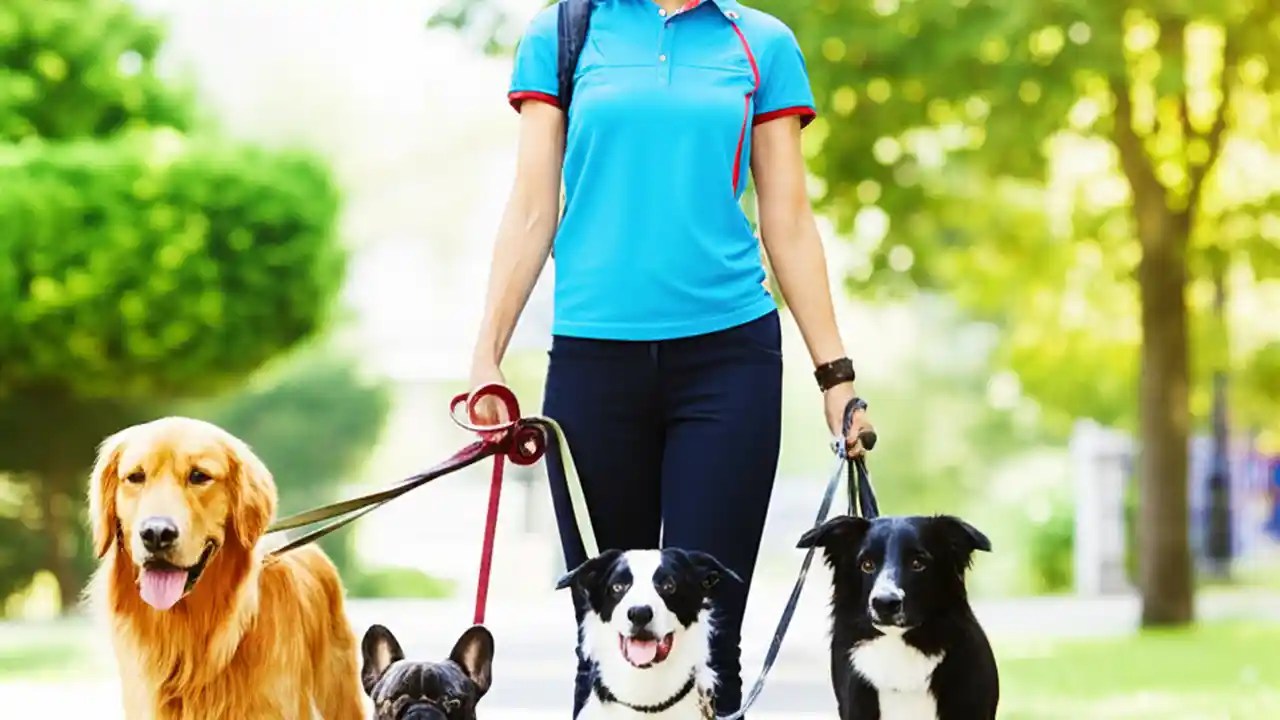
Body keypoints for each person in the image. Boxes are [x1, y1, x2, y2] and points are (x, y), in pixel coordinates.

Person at [468, 0, 874, 714]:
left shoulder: (761, 42)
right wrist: (486, 358)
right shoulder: (562, 34)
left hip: (730, 363)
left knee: (709, 636)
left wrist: (835, 379)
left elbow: (787, 220)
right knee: (605, 636)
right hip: (594, 365)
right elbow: (532, 208)